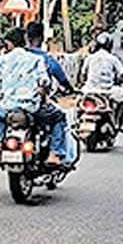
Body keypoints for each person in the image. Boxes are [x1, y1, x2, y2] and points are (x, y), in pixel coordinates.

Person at [0, 27, 68, 165]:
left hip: (8, 107)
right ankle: (55, 153)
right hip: (31, 107)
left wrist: (3, 100)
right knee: (59, 117)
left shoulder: (1, 60)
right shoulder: (36, 59)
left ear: (9, 44)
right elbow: (45, 82)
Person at [23, 22, 71, 164]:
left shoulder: (15, 58)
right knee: (59, 117)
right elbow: (61, 78)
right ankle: (55, 153)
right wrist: (69, 89)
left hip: (12, 105)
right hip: (36, 105)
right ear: (42, 38)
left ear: (27, 38)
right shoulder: (46, 59)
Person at [81, 32, 123, 130]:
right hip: (107, 91)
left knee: (78, 101)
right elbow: (122, 75)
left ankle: (76, 121)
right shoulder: (113, 59)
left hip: (89, 89)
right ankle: (117, 123)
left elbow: (82, 75)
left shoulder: (90, 58)